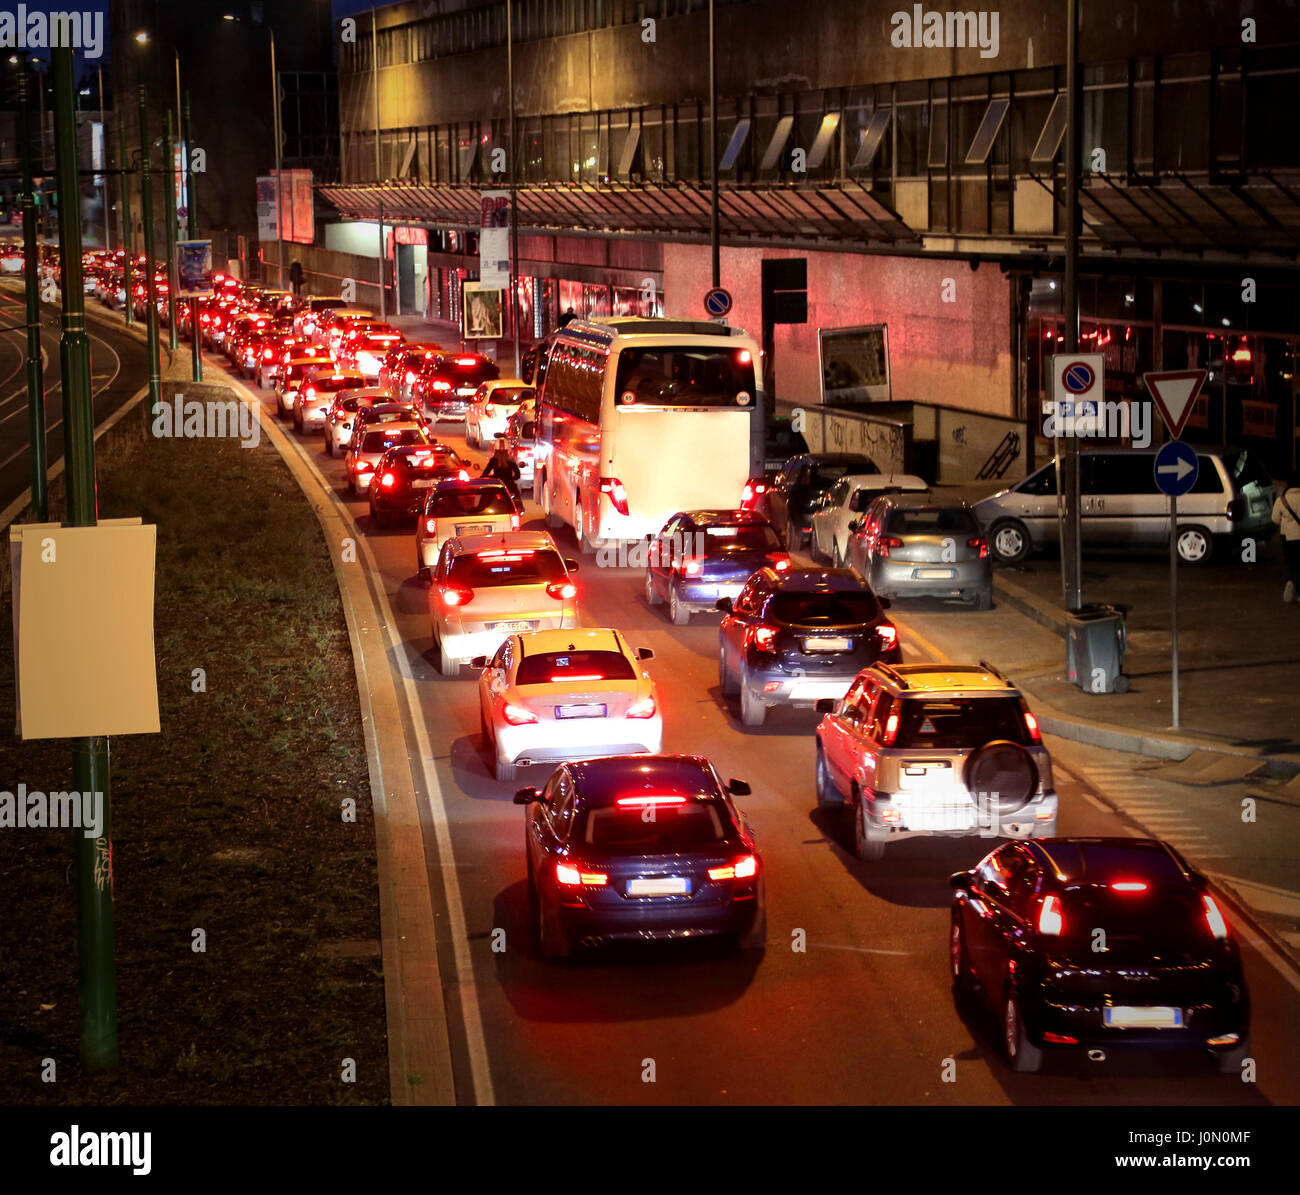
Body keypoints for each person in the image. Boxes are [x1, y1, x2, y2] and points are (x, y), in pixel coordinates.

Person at [1272, 471, 1300, 603]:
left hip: (1288, 538)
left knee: (1291, 563)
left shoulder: (1281, 500)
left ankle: (1290, 581)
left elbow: (1275, 519)